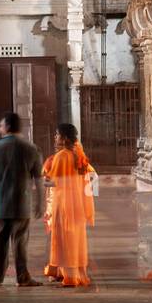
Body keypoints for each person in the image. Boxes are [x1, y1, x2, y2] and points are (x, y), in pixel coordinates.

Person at [0, 112, 43, 287]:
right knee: (20, 242)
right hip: (22, 204)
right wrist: (40, 202)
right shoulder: (32, 149)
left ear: (7, 127)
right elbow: (39, 180)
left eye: (0, 125)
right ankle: (22, 277)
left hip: (0, 204)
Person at [42, 122, 96, 288]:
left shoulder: (61, 156)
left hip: (64, 205)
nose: (55, 137)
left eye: (57, 134)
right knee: (76, 240)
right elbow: (92, 178)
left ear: (64, 138)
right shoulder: (80, 156)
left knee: (64, 240)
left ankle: (69, 276)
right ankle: (77, 273)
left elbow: (53, 183)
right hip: (78, 205)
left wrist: (44, 182)